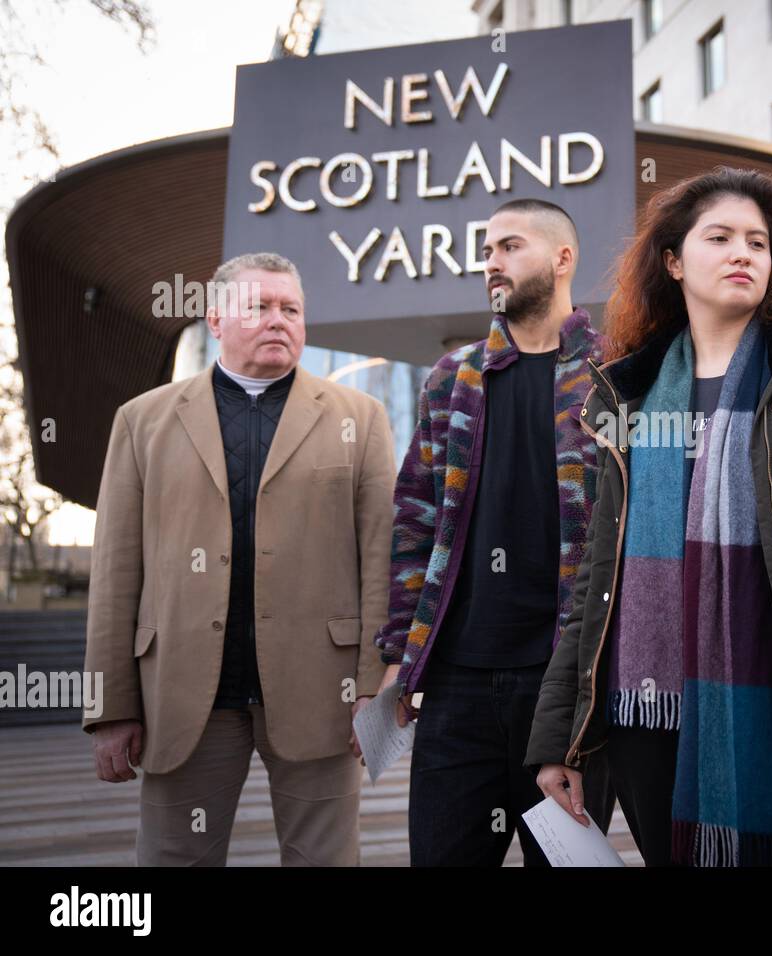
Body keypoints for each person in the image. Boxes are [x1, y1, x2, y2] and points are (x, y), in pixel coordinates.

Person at [527, 167, 772, 867]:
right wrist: (557, 736)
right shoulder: (631, 394)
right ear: (675, 261)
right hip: (648, 724)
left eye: (758, 241)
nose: (743, 252)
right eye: (719, 237)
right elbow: (598, 581)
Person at [84, 252, 395, 866]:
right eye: (259, 306)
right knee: (175, 858)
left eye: (291, 309)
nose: (278, 320)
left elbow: (381, 557)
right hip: (181, 693)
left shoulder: (361, 418)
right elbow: (115, 571)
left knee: (325, 860)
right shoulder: (142, 421)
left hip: (322, 695)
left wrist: (372, 686)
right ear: (215, 320)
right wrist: (110, 706)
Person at [374, 198, 613, 866]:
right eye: (486, 252)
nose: (492, 265)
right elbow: (415, 518)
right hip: (457, 688)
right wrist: (400, 650)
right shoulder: (454, 377)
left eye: (510, 246)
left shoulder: (615, 377)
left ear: (563, 258)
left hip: (566, 687)